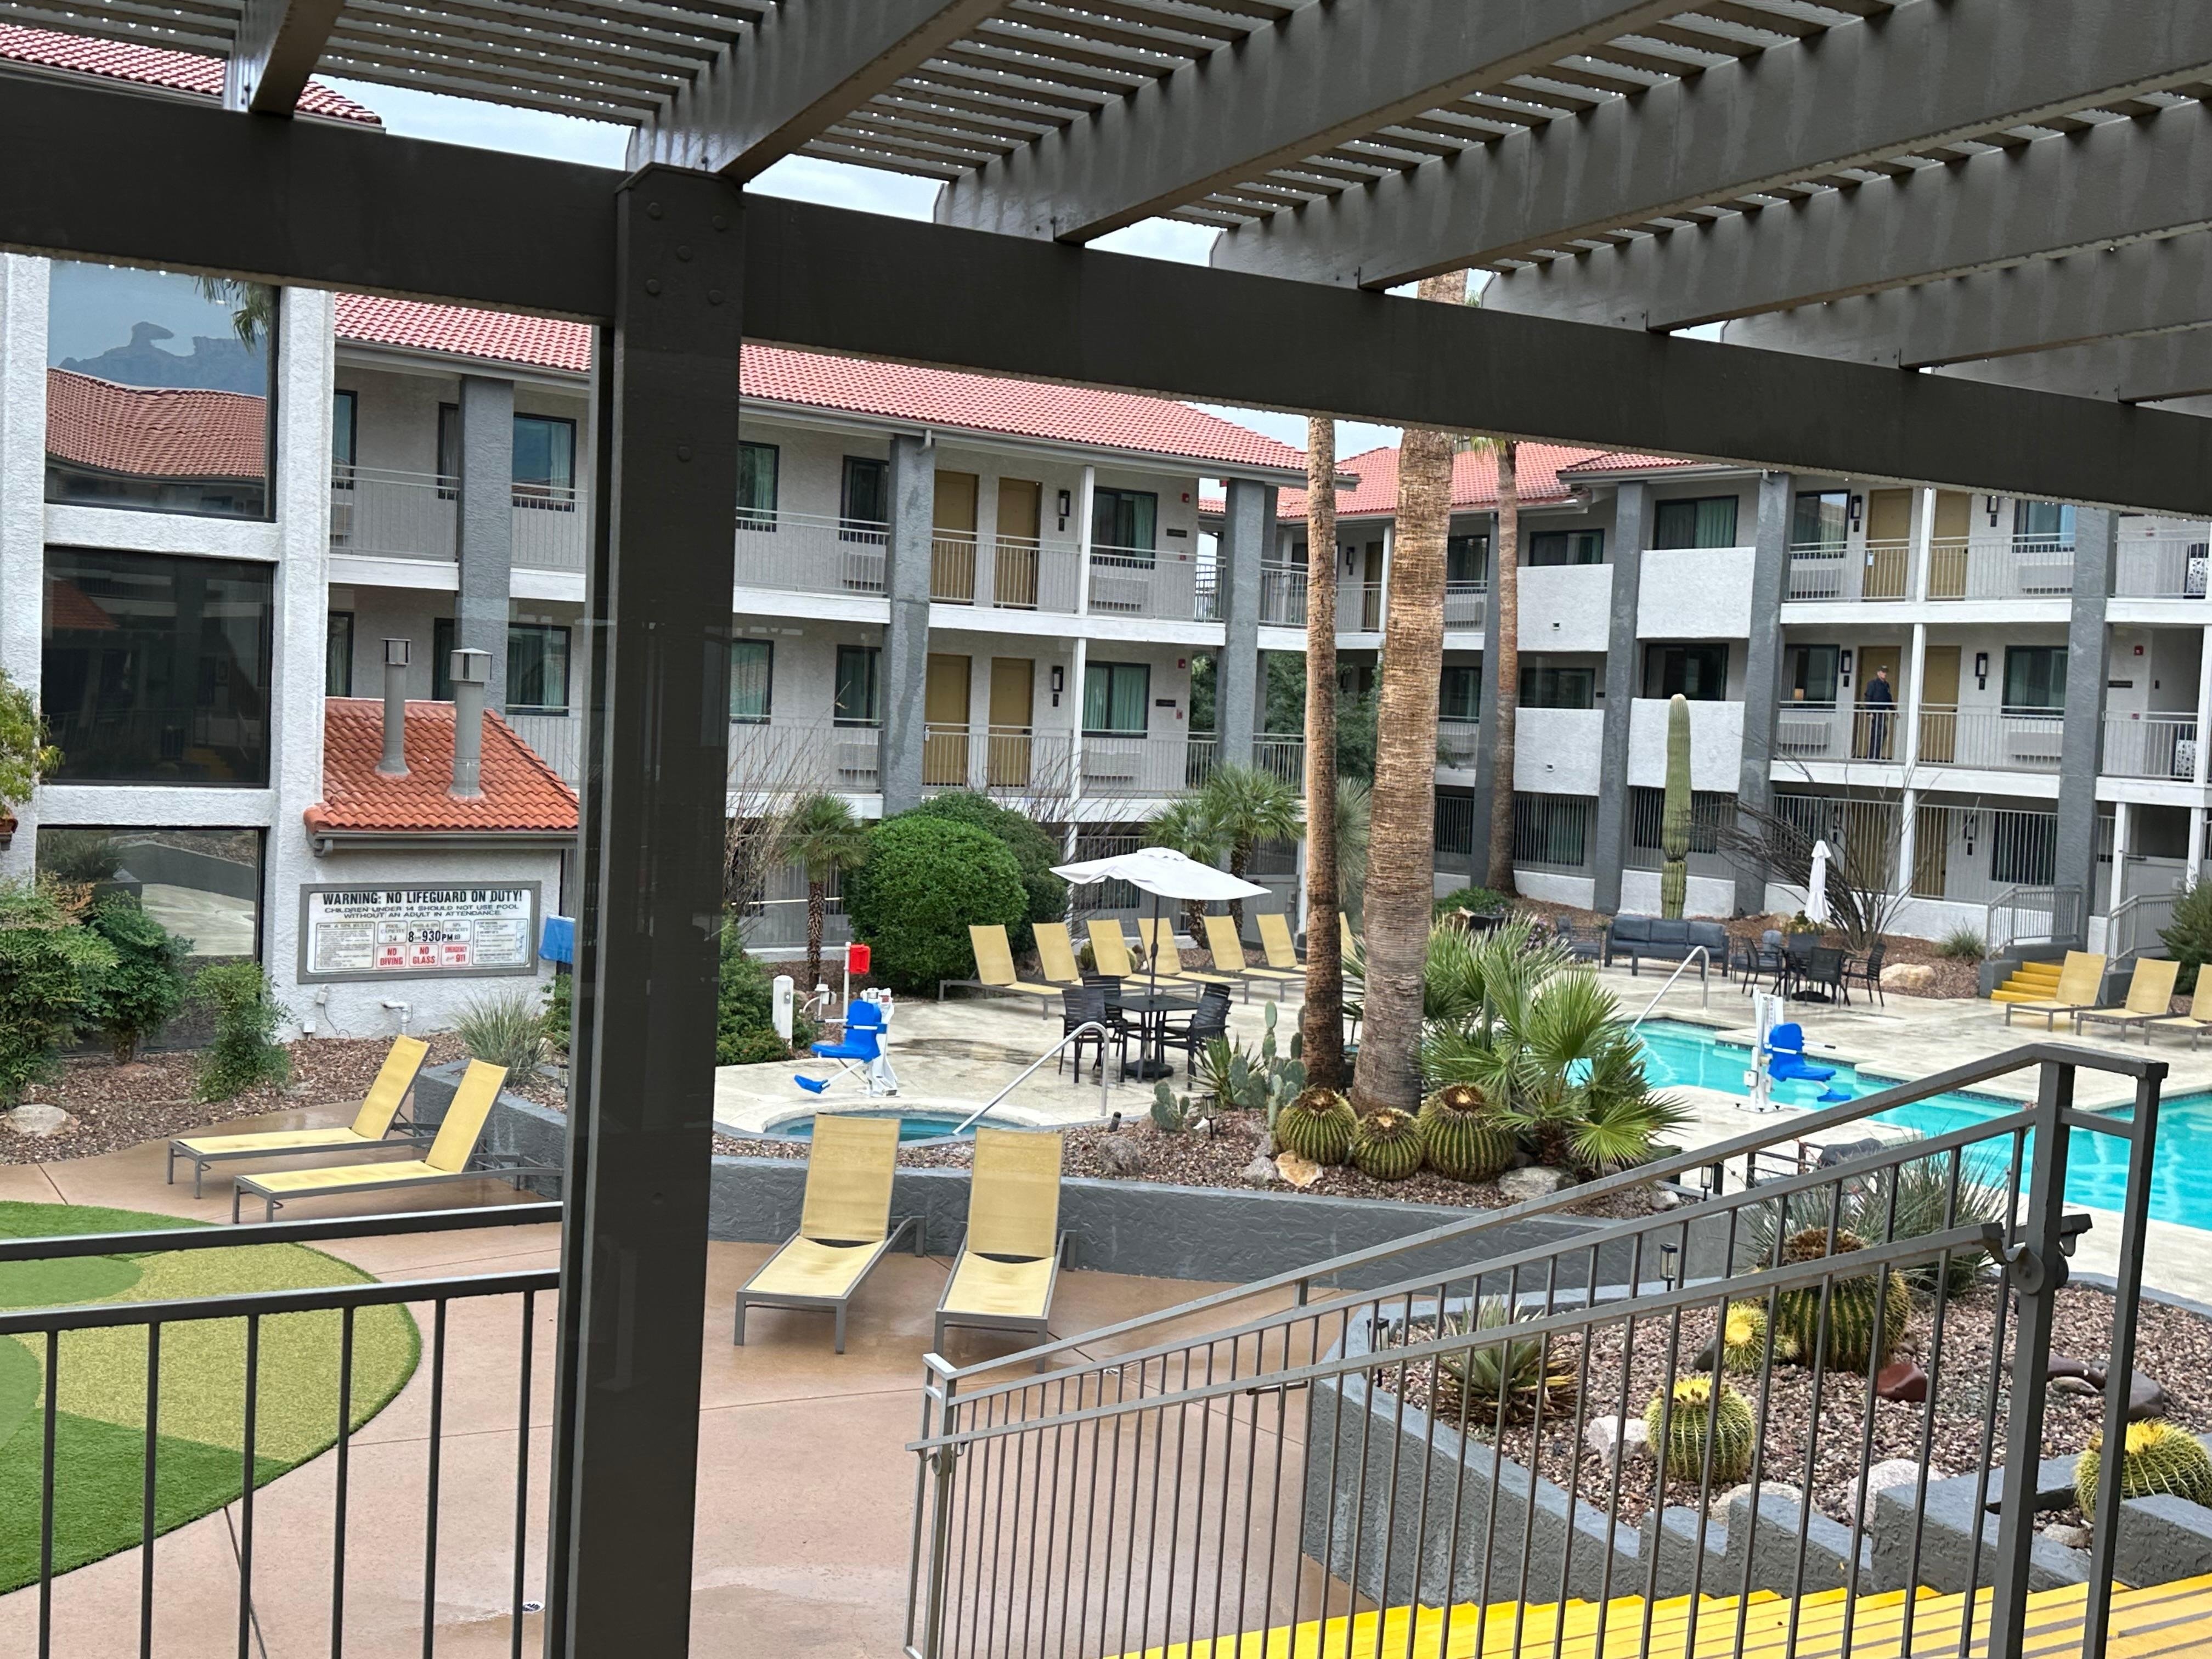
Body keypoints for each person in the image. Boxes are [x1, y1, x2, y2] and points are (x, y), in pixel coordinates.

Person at [1861, 665, 1895, 759]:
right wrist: (1869, 712)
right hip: (1875, 711)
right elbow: (1868, 697)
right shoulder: (1873, 684)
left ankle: (1875, 755)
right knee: (1878, 733)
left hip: (1883, 712)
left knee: (1881, 733)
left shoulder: (1886, 685)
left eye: (1885, 672)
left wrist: (1894, 712)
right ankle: (1872, 755)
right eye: (1882, 672)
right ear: (1878, 673)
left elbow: (1888, 699)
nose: (1884, 674)